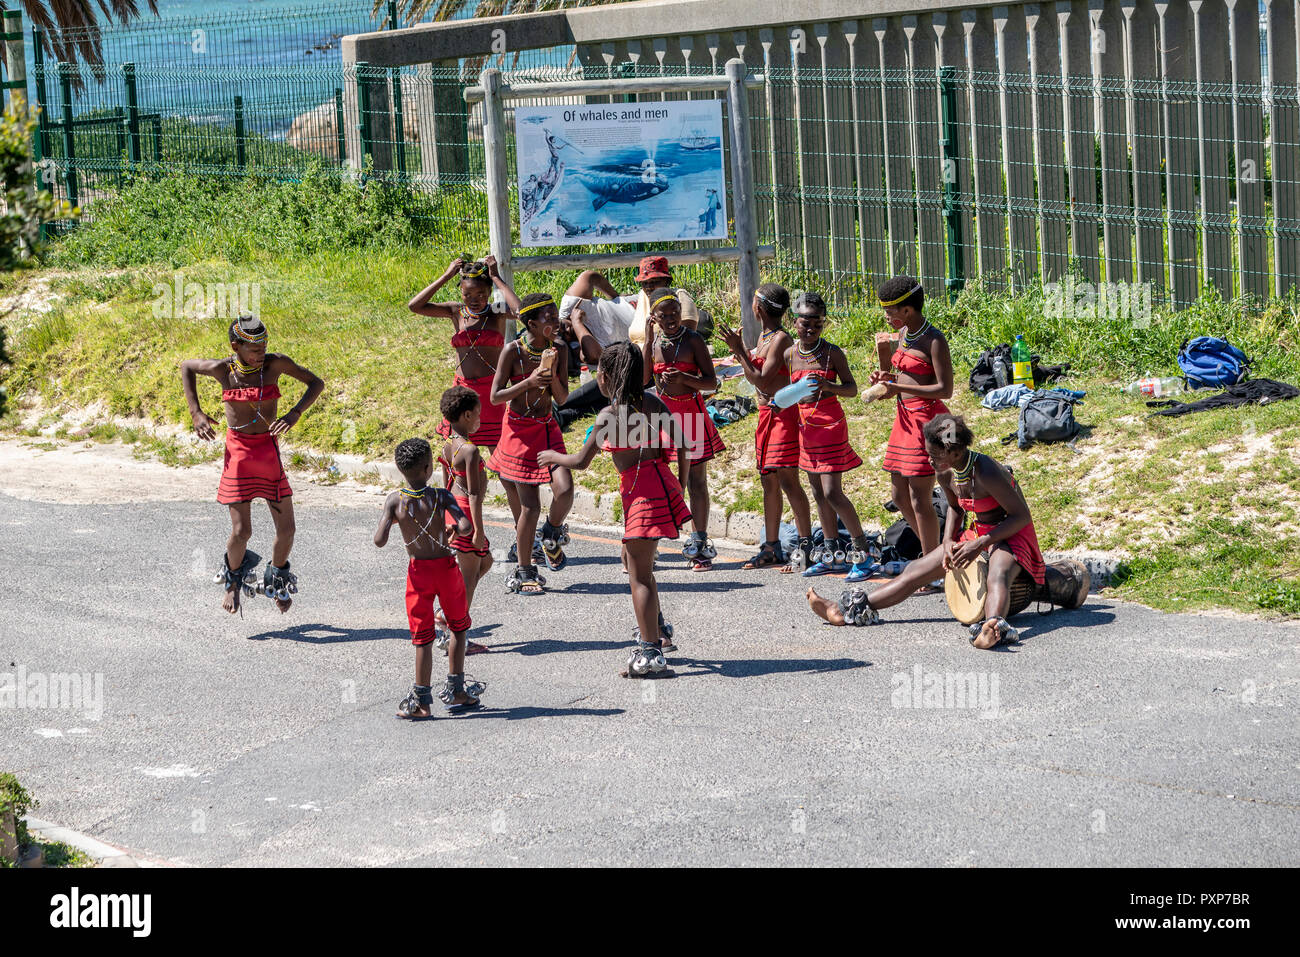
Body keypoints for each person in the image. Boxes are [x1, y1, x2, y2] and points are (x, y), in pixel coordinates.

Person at [807, 414, 1048, 650]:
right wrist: (946, 542)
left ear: (954, 452)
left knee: (998, 574)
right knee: (915, 570)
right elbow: (955, 508)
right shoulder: (946, 472)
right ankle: (845, 610)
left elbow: (1021, 517)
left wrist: (979, 544)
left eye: (935, 454)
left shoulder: (985, 471)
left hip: (1012, 535)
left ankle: (992, 627)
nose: (930, 460)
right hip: (979, 534)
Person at [539, 341, 690, 677]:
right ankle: (657, 629)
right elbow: (683, 443)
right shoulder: (654, 403)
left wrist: (553, 457)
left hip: (640, 495)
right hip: (659, 486)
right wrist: (681, 482)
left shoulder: (609, 416)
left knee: (639, 578)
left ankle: (651, 652)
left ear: (605, 378)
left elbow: (580, 462)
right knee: (637, 562)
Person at [180, 314, 323, 615]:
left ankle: (277, 579)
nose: (261, 354)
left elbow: (315, 383)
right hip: (239, 455)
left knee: (287, 530)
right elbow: (187, 367)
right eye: (254, 349)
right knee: (241, 531)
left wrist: (295, 413)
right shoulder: (223, 370)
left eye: (264, 347)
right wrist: (196, 413)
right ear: (236, 346)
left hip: (268, 453)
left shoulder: (276, 365)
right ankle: (233, 581)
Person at [376, 438, 485, 719]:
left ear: (401, 470)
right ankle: (457, 688)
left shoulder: (394, 500)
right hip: (446, 570)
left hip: (418, 573)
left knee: (422, 637)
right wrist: (451, 531)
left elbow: (379, 540)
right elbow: (464, 526)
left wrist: (396, 521)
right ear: (428, 468)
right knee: (458, 628)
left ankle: (422, 701)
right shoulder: (441, 496)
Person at [716, 283, 812, 571]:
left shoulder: (781, 339)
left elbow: (762, 379)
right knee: (768, 480)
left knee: (788, 481)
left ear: (758, 309)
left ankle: (805, 547)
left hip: (782, 417)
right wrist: (743, 352)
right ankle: (771, 546)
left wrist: (739, 352)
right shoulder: (765, 336)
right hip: (765, 416)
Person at [783, 292, 874, 583]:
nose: (810, 329)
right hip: (806, 429)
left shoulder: (832, 353)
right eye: (804, 323)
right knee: (818, 493)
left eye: (817, 324)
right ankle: (832, 553)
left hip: (831, 427)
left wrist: (828, 385)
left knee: (833, 492)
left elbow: (851, 389)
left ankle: (863, 553)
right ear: (793, 321)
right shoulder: (790, 354)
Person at [487, 292, 574, 594]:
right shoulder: (512, 351)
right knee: (530, 507)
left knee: (565, 490)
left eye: (555, 314)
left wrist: (550, 379)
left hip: (547, 429)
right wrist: (527, 383)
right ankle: (524, 569)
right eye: (548, 316)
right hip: (519, 432)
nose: (556, 320)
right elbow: (495, 396)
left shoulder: (559, 348)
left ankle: (551, 532)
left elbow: (563, 399)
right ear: (531, 324)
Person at [871, 276, 953, 586]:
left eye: (890, 311)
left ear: (907, 310)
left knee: (920, 497)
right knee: (899, 496)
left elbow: (945, 389)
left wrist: (898, 385)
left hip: (929, 423)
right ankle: (934, 557)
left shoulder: (934, 340)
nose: (886, 318)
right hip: (903, 419)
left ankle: (932, 568)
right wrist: (886, 380)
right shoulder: (905, 334)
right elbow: (904, 381)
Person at [407, 255, 521, 456]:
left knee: (500, 457)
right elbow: (414, 306)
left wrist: (496, 277)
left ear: (489, 292)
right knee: (459, 455)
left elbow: (522, 311)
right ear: (460, 291)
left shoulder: (497, 311)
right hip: (463, 392)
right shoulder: (456, 311)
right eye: (468, 294)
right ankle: (460, 488)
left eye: (481, 294)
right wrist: (446, 276)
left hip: (492, 391)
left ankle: (510, 488)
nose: (474, 300)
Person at [642, 288, 723, 571]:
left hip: (691, 416)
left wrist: (686, 378)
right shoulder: (652, 344)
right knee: (661, 481)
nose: (671, 320)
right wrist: (648, 341)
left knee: (696, 482)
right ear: (653, 318)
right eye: (663, 316)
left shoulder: (693, 340)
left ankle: (699, 541)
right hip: (663, 420)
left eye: (675, 313)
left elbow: (711, 382)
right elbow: (642, 380)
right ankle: (650, 544)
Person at [438, 385, 493, 655]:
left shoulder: (449, 445)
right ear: (468, 415)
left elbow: (444, 484)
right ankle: (457, 635)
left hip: (453, 509)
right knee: (469, 579)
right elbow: (474, 495)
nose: (482, 418)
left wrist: (444, 516)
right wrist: (478, 530)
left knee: (487, 562)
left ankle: (445, 613)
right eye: (480, 414)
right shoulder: (470, 450)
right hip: (467, 515)